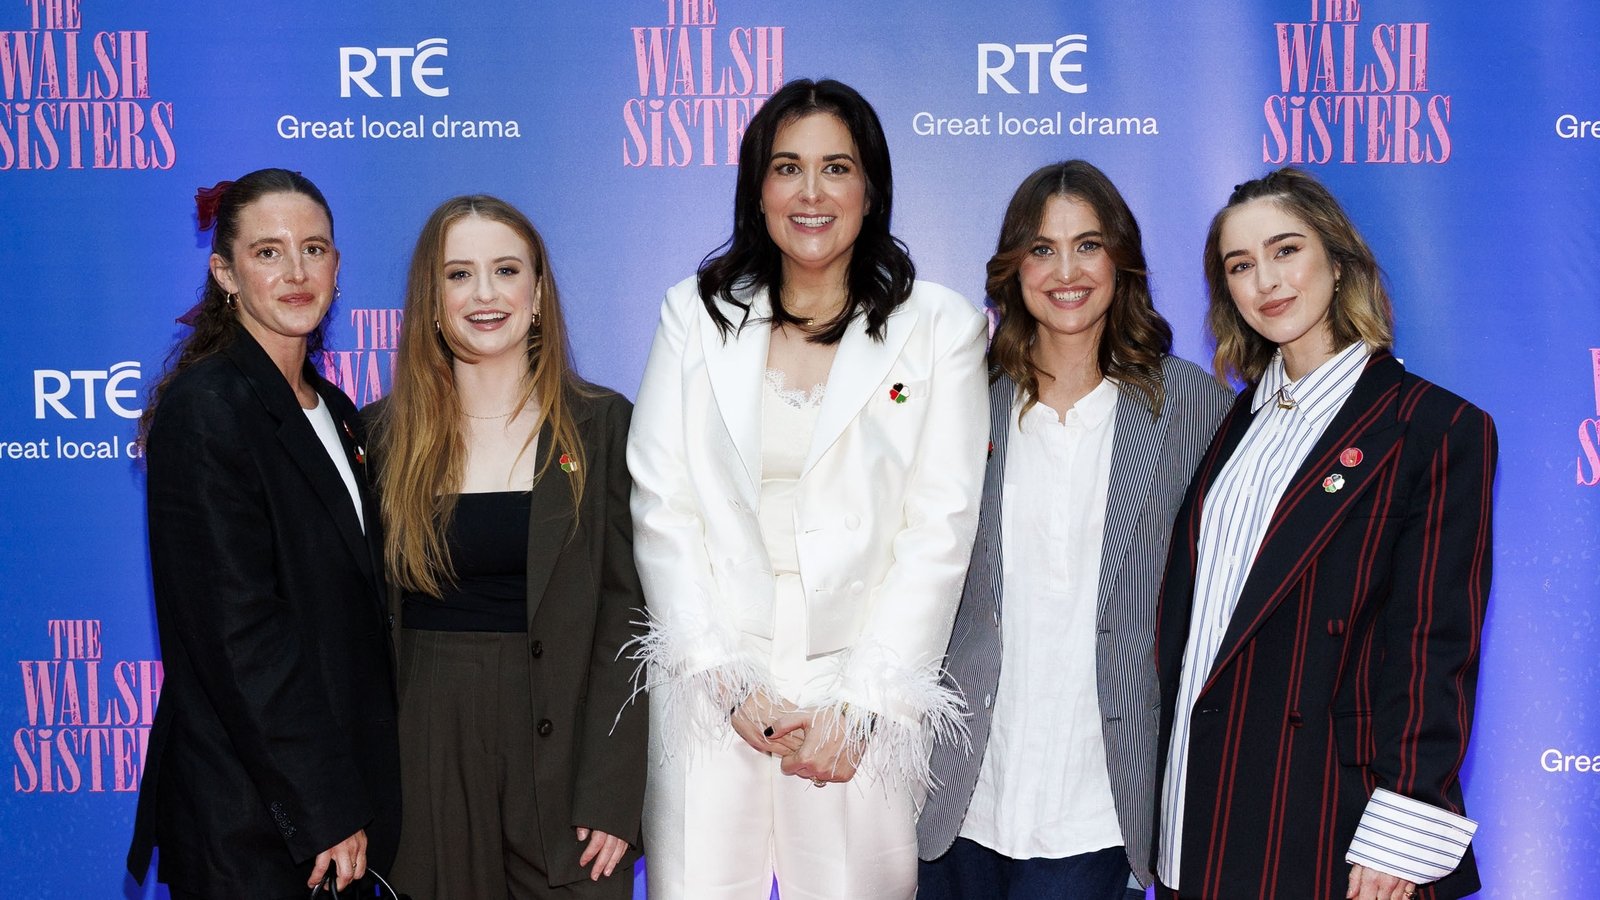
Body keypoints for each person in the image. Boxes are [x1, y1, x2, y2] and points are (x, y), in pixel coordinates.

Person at [628, 78, 989, 900]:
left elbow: (940, 527)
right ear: (758, 190)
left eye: (837, 167)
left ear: (871, 189)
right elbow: (662, 503)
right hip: (715, 682)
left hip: (857, 688)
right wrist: (722, 678)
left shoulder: (939, 327)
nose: (812, 192)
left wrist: (863, 704)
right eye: (788, 167)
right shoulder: (694, 314)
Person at [1154, 168, 1495, 900]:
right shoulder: (1233, 425)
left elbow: (1434, 645)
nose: (1266, 281)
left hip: (1324, 823)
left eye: (1286, 251)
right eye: (1240, 266)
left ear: (1337, 261)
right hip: (1196, 811)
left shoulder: (1433, 429)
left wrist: (1403, 828)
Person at [918, 160, 1234, 899]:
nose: (1066, 270)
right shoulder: (964, 400)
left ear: (1120, 260)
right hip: (958, 796)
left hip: (1101, 802)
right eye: (1041, 248)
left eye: (1088, 245)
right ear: (1013, 268)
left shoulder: (1191, 407)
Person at [127, 168, 401, 899]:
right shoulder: (208, 406)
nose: (296, 272)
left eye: (314, 249)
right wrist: (323, 805)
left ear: (338, 268)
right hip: (257, 819)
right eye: (268, 252)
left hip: (337, 803)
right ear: (225, 272)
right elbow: (237, 634)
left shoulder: (339, 412)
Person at [365, 195, 646, 898]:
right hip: (422, 755)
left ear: (539, 291)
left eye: (506, 270)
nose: (484, 294)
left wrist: (614, 797)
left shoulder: (604, 426)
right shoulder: (377, 438)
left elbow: (630, 620)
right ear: (431, 301)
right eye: (458, 275)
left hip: (566, 769)